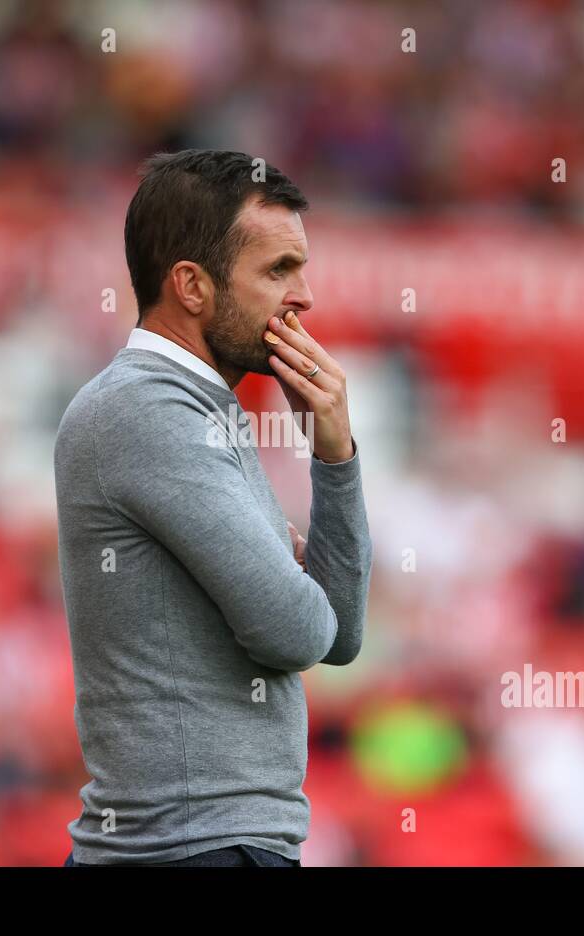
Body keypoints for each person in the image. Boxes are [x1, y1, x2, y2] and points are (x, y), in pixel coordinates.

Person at [53, 148, 373, 866]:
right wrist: (295, 586)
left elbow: (342, 633)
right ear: (192, 286)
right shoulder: (144, 409)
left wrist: (335, 456)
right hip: (184, 851)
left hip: (218, 846)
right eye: (278, 270)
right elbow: (297, 630)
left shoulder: (203, 411)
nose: (305, 297)